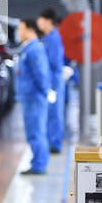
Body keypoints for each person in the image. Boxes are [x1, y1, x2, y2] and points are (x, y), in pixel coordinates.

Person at [16, 17, 51, 175]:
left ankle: (38, 165)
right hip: (30, 96)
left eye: (20, 29)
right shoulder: (29, 48)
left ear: (30, 30)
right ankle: (37, 162)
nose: (19, 32)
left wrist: (45, 92)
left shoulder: (34, 49)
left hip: (35, 97)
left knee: (36, 131)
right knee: (34, 131)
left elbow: (41, 74)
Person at [37, 8, 66, 153]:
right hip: (49, 82)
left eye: (40, 19)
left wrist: (53, 85)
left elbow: (55, 64)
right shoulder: (47, 38)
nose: (38, 22)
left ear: (48, 21)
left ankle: (55, 144)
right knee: (49, 115)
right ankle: (51, 142)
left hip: (54, 82)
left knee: (54, 115)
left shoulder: (53, 38)